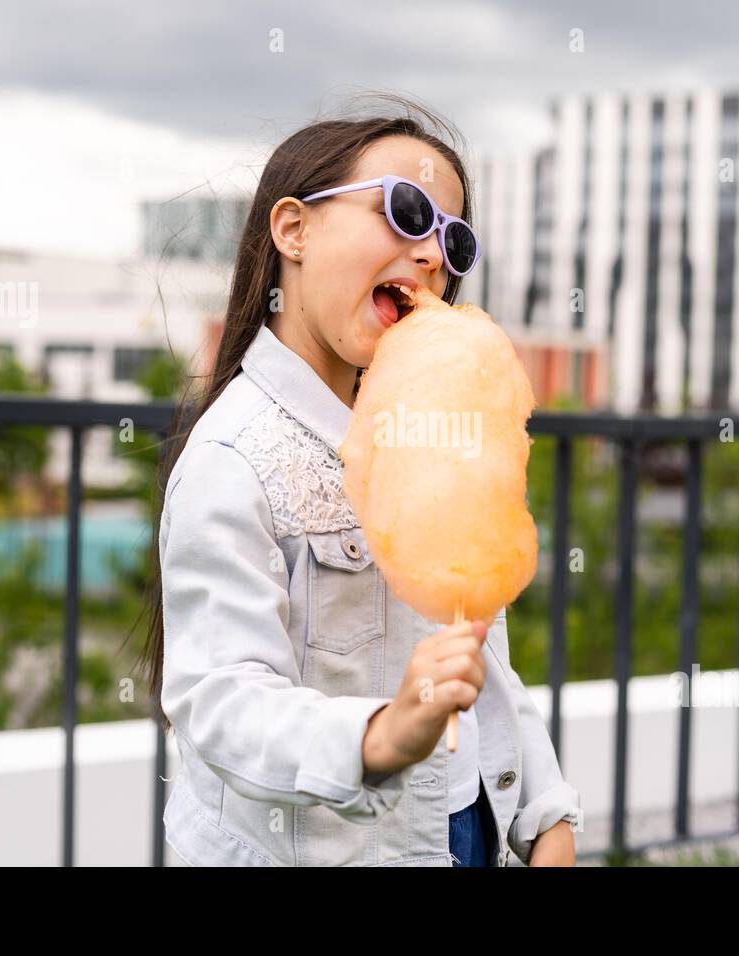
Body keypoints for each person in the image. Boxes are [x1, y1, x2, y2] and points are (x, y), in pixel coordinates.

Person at [139, 93, 579, 867]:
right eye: (406, 211)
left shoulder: (429, 429)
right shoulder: (234, 458)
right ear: (293, 229)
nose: (432, 254)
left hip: (464, 830)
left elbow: (482, 657)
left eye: (454, 239)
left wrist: (545, 816)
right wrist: (382, 734)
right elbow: (222, 701)